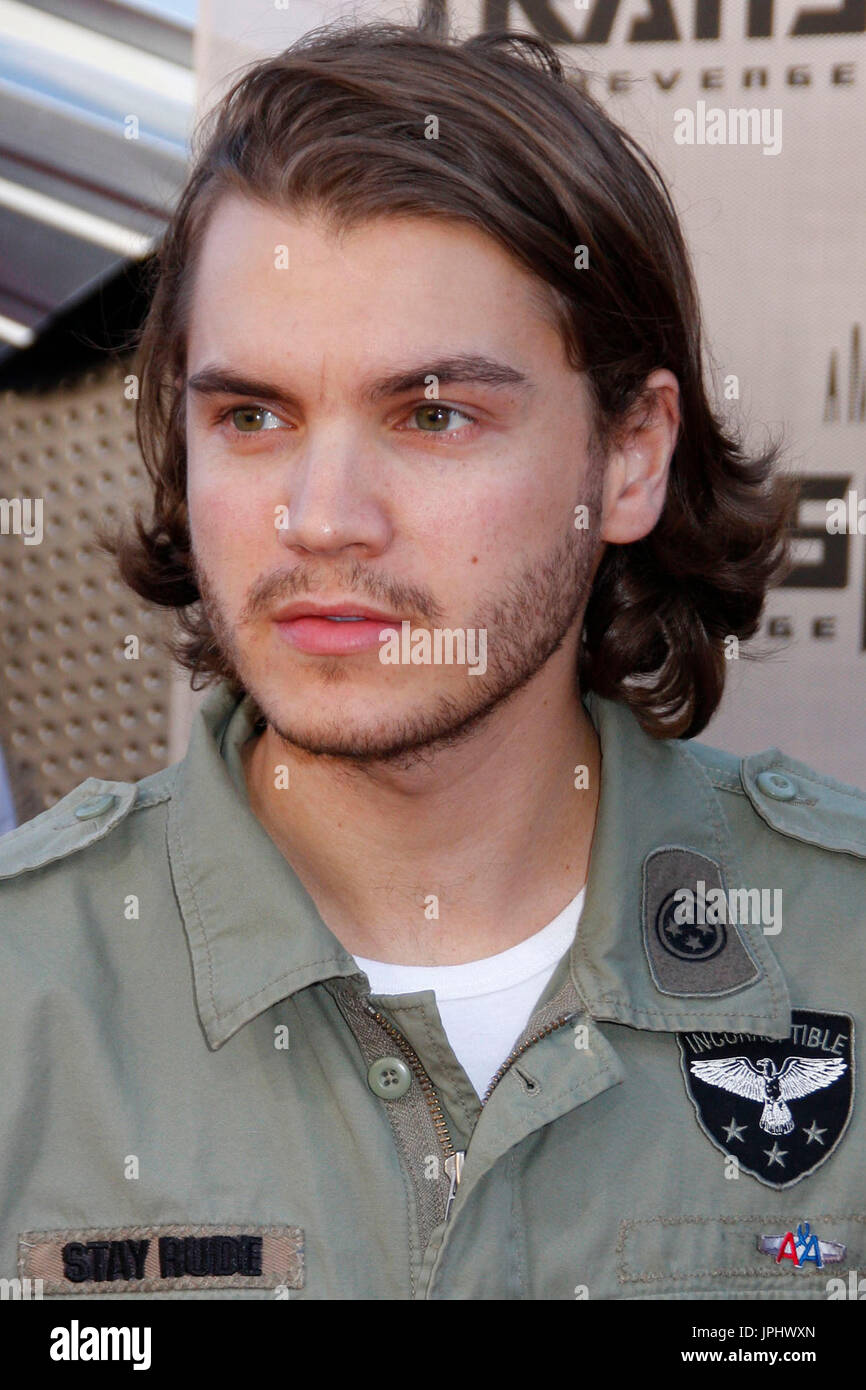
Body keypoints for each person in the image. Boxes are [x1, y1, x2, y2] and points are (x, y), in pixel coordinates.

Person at [1, 16, 863, 1303]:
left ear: (627, 455)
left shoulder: (840, 949)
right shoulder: (28, 996)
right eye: (252, 415)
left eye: (434, 414)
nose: (323, 513)